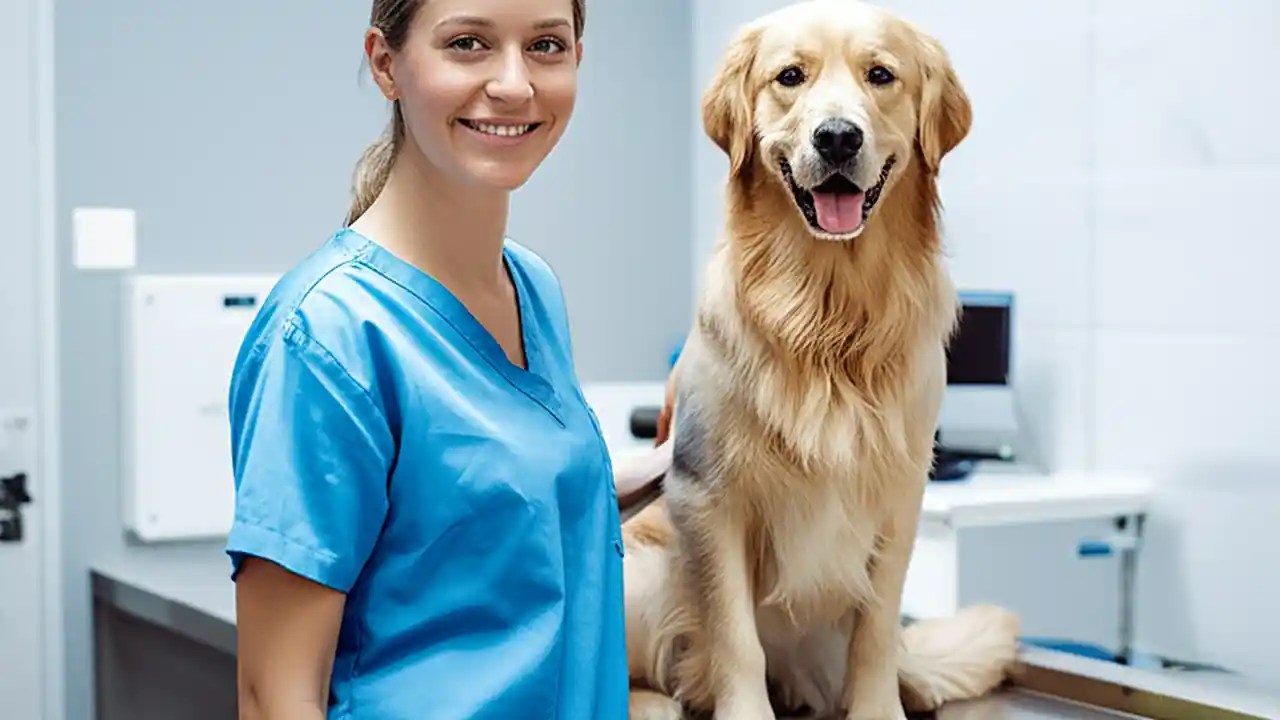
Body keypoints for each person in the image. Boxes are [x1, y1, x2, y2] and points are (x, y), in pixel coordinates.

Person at [225, 1, 672, 717]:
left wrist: (685, 455)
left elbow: (495, 502)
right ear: (385, 63)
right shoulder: (329, 333)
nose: (514, 84)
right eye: (468, 44)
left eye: (547, 46)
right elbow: (272, 694)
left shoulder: (532, 288)